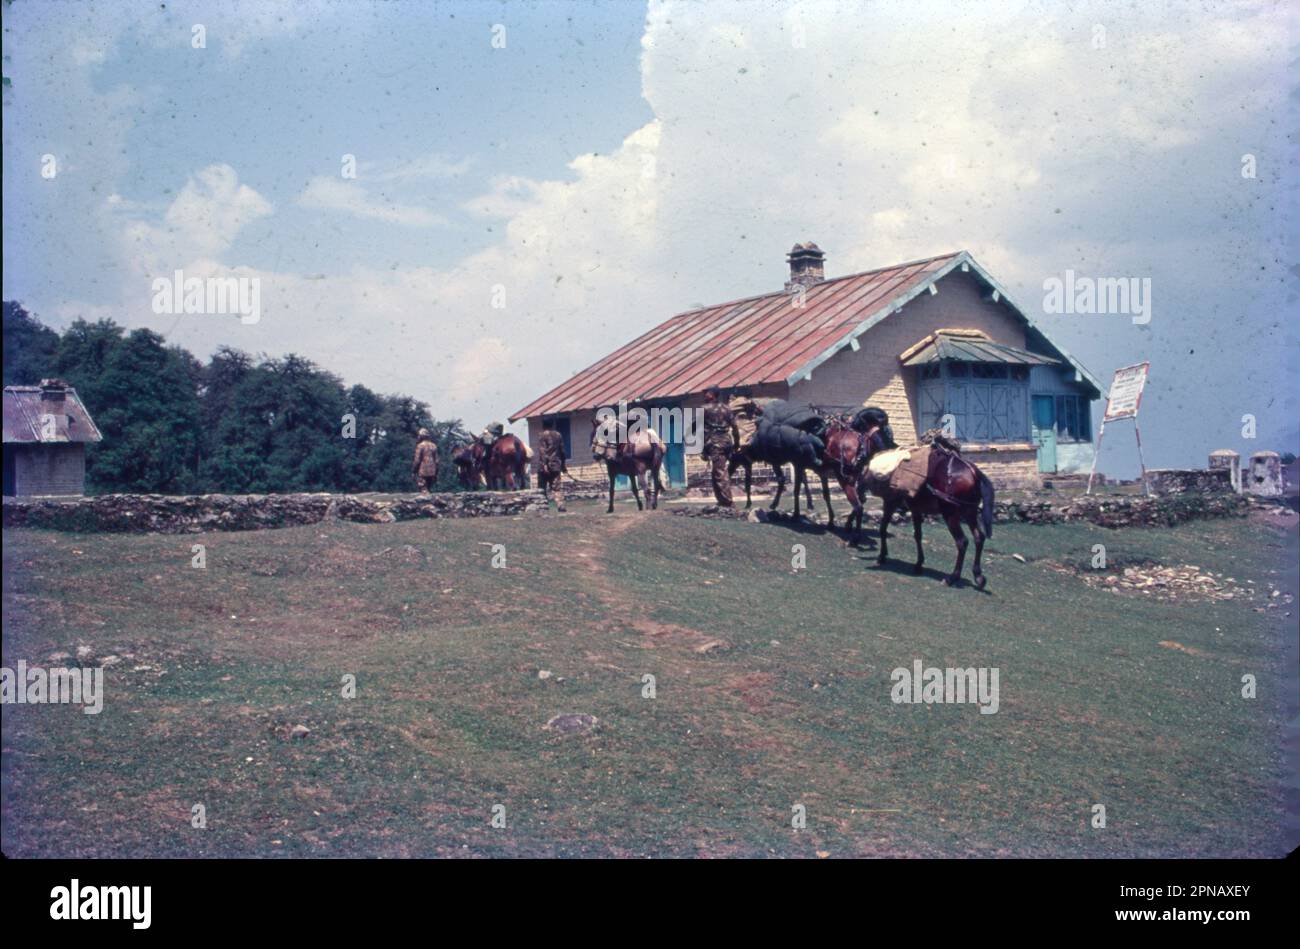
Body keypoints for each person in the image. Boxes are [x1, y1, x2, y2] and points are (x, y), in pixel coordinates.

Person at [701, 385, 737, 507]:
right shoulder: (727, 409)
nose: (704, 395)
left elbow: (701, 430)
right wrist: (736, 443)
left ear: (713, 394)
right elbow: (735, 427)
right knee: (716, 471)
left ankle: (728, 502)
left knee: (720, 472)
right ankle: (721, 500)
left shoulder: (704, 409)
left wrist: (703, 449)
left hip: (715, 443)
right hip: (727, 442)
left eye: (707, 392)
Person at [536, 418, 567, 511]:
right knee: (556, 487)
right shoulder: (558, 435)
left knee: (542, 487)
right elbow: (562, 451)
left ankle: (543, 506)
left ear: (543, 425)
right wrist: (563, 466)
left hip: (544, 466)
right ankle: (560, 504)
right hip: (556, 465)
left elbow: (543, 451)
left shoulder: (542, 435)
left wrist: (545, 464)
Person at [413, 428, 440, 492]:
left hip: (422, 472)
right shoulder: (434, 446)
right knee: (429, 490)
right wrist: (436, 473)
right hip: (432, 472)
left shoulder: (420, 446)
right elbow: (437, 461)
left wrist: (414, 471)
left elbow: (417, 460)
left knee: (423, 491)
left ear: (421, 436)